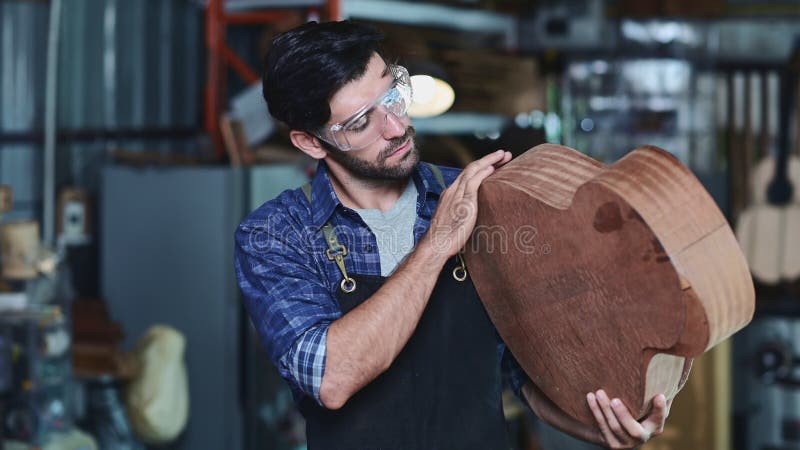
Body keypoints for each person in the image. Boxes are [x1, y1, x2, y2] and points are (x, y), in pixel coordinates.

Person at [234, 20, 670, 450]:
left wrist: (596, 427)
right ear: (312, 143)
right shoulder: (277, 235)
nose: (395, 126)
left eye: (393, 94)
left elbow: (523, 377)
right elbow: (332, 377)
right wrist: (438, 243)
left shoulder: (480, 201)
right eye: (362, 122)